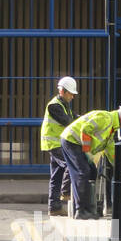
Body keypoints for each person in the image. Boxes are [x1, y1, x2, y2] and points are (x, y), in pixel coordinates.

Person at [59, 104, 121, 220]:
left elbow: (110, 150)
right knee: (82, 172)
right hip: (71, 140)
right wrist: (87, 151)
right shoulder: (105, 118)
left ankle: (89, 208)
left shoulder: (111, 129)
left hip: (77, 143)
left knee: (92, 172)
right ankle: (80, 210)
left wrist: (120, 167)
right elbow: (85, 129)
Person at [40, 77, 79, 216]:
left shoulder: (64, 105)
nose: (73, 96)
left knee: (56, 176)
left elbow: (74, 118)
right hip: (54, 144)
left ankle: (54, 208)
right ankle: (66, 191)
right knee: (71, 163)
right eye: (71, 93)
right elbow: (68, 121)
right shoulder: (54, 106)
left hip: (58, 144)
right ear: (62, 91)